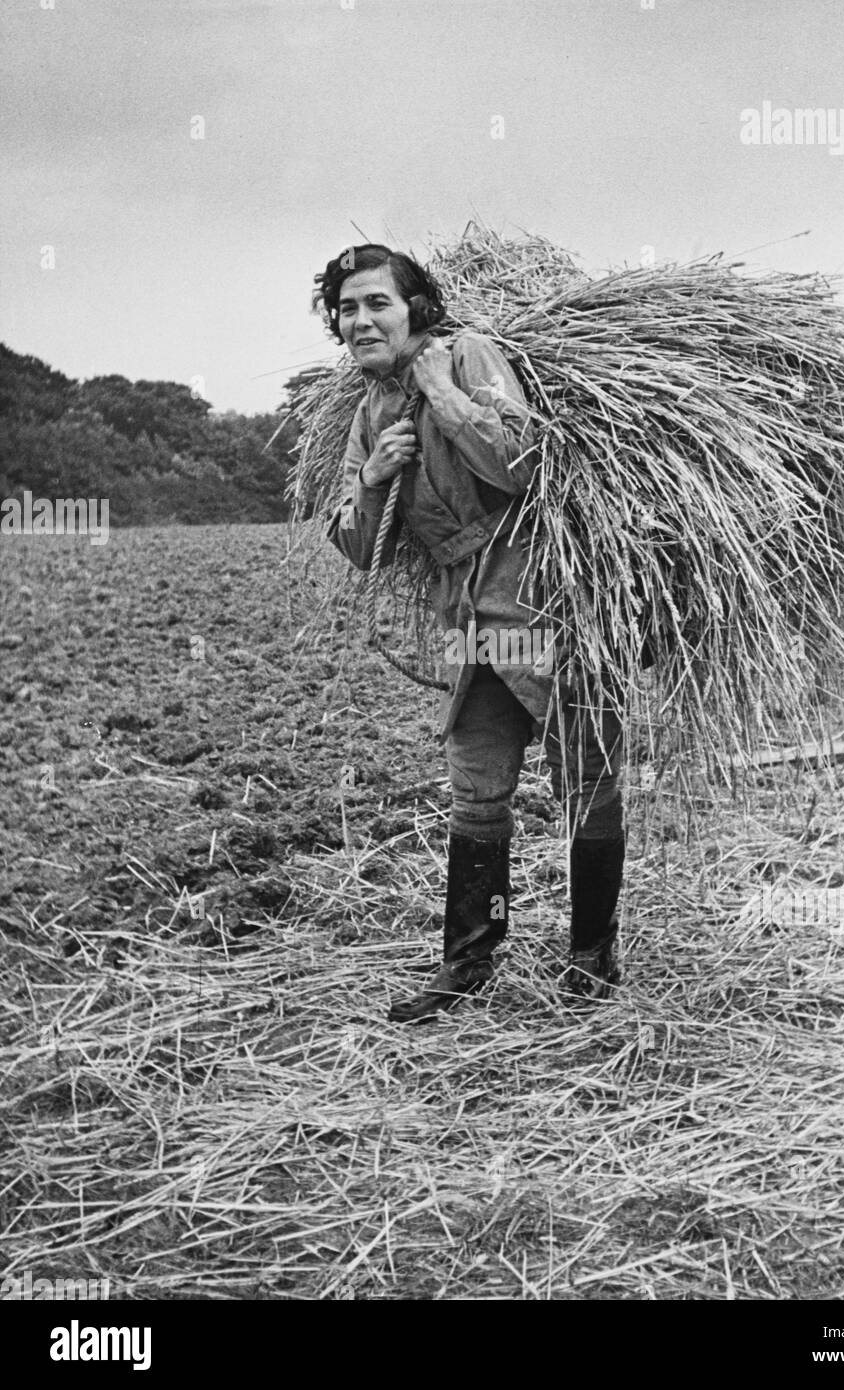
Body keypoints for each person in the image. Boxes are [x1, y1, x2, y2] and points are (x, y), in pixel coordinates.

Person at [316, 243, 626, 1023]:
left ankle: (591, 959)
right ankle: (468, 962)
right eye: (347, 309)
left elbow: (526, 463)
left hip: (549, 598)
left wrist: (446, 402)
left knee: (585, 781)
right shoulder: (368, 412)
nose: (360, 321)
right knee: (475, 787)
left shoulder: (467, 356)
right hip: (467, 620)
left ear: (414, 307)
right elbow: (357, 545)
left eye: (376, 303)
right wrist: (371, 477)